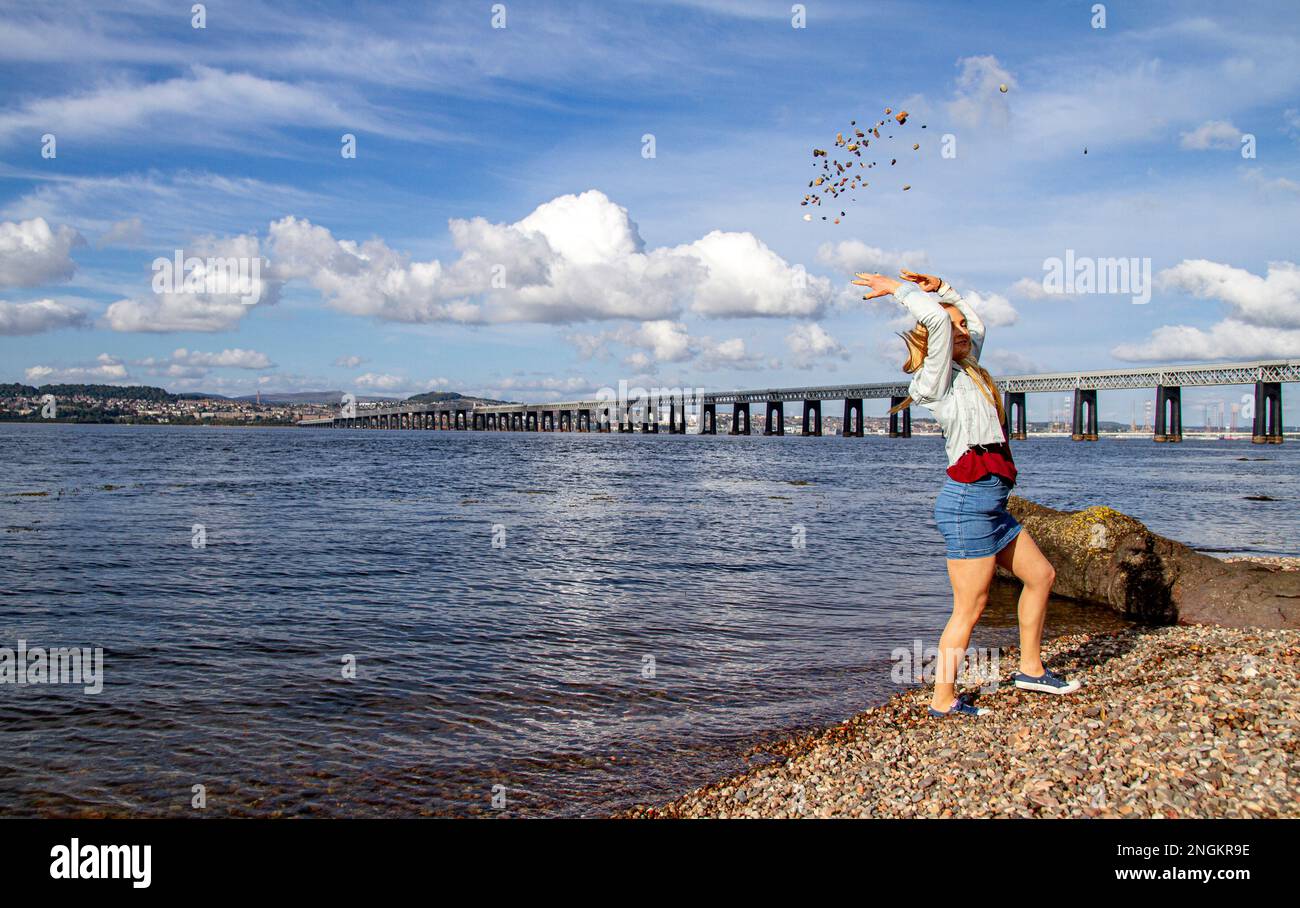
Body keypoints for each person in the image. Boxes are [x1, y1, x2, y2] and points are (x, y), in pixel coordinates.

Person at [854, 269, 1081, 717]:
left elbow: (976, 326)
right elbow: (939, 325)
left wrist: (944, 290)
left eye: (959, 324)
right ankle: (943, 698)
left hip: (992, 502)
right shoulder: (935, 379)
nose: (961, 329)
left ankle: (1031, 670)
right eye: (951, 324)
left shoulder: (969, 369)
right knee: (970, 608)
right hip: (968, 500)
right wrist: (901, 292)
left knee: (1041, 576)